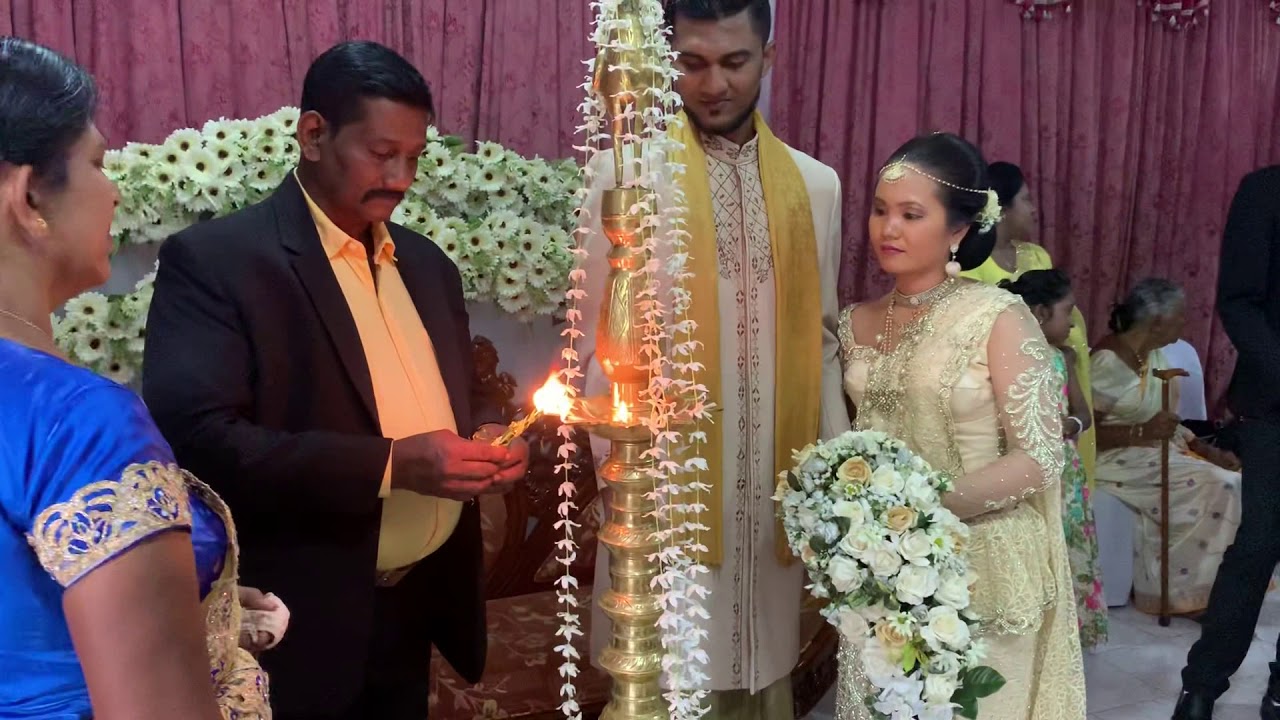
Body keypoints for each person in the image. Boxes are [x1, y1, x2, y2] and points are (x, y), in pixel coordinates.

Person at [142, 41, 528, 720]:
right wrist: (393, 465)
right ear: (315, 134)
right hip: (301, 619)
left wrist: (489, 433)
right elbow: (199, 439)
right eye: (382, 154)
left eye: (415, 157)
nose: (401, 179)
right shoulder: (220, 263)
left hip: (417, 607)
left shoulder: (426, 265)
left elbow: (460, 392)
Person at [577, 0, 851, 715]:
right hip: (668, 490)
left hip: (776, 489)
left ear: (768, 58)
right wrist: (621, 478)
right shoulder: (625, 176)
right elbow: (596, 352)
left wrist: (835, 475)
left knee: (765, 670)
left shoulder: (816, 186)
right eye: (693, 63)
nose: (714, 84)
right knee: (668, 671)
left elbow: (823, 342)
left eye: (735, 61)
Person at [0, 36, 279, 719]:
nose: (114, 189)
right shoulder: (76, 420)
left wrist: (195, 608)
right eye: (97, 163)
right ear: (29, 195)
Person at [837, 133, 1086, 719]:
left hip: (983, 567)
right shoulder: (852, 322)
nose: (887, 229)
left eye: (910, 214)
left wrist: (921, 509)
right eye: (880, 210)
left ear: (958, 229)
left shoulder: (998, 316)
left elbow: (1040, 456)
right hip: (882, 569)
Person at [1175, 166, 1280, 720]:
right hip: (1276, 402)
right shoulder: (1266, 191)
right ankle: (1202, 683)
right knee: (1258, 546)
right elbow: (1239, 301)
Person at [1090, 279, 1241, 624]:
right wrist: (1141, 432)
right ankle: (1183, 594)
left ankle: (1207, 589)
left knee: (1231, 476)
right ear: (1157, 322)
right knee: (1223, 485)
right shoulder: (1109, 362)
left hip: (1156, 449)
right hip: (1114, 459)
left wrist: (1204, 448)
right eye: (1180, 316)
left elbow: (1166, 420)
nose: (1185, 322)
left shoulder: (1154, 356)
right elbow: (1084, 432)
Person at [961, 161, 1097, 490]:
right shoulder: (971, 263)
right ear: (1003, 208)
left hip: (1060, 369)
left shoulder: (1037, 256)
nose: (1034, 210)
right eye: (1026, 200)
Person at [1000, 270, 1108, 650]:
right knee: (1034, 549)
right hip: (1025, 470)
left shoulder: (1063, 357)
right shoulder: (1005, 357)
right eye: (1068, 312)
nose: (1073, 323)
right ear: (1042, 313)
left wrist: (1069, 424)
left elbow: (1084, 414)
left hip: (1065, 475)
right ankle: (1030, 634)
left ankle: (1068, 635)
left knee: (1065, 545)